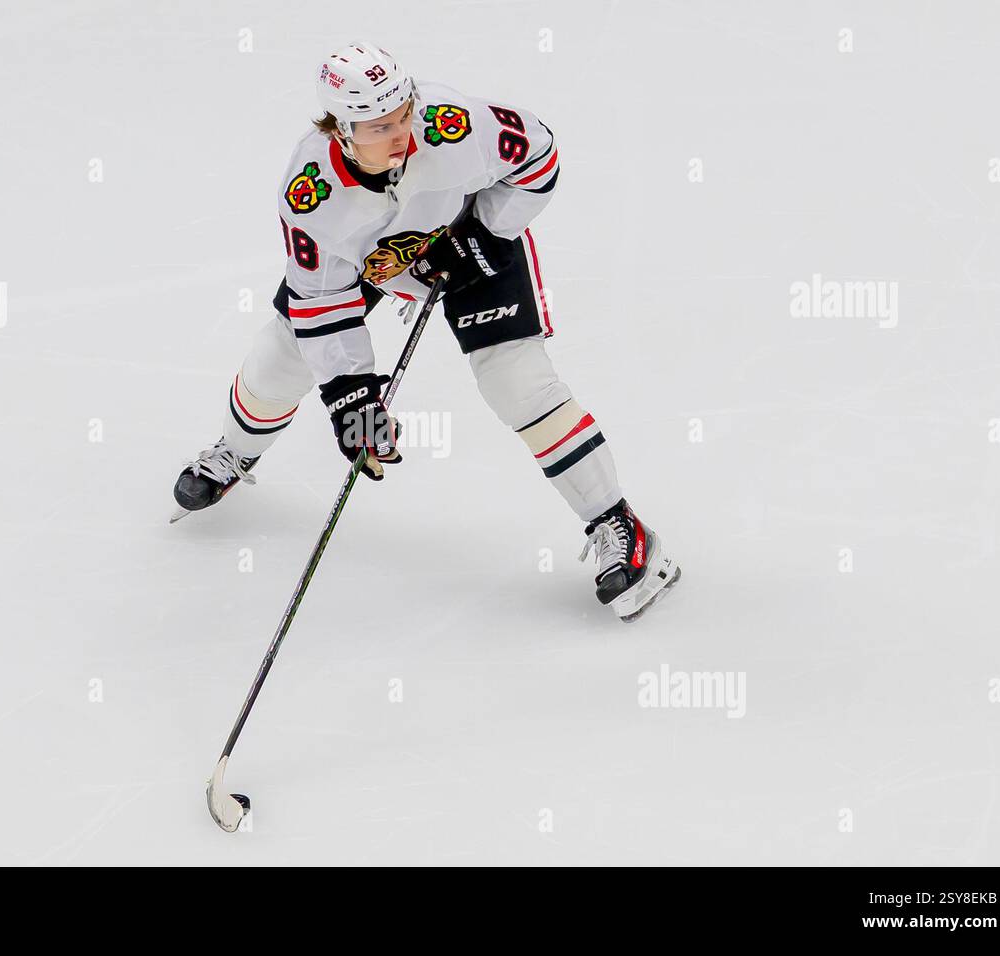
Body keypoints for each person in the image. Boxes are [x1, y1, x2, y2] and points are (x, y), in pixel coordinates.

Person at [173, 41, 680, 621]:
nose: (402, 133)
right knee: (281, 353)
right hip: (379, 260)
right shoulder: (311, 193)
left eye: (404, 112)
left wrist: (487, 233)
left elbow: (539, 154)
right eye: (381, 125)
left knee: (515, 381)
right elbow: (320, 302)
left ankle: (620, 523)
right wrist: (352, 400)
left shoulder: (449, 125)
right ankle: (234, 454)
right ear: (342, 130)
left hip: (469, 243)